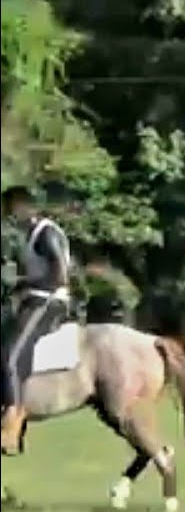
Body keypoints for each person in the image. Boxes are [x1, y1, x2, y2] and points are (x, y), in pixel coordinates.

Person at [1, 186, 75, 449]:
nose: (8, 216)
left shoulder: (46, 233)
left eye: (9, 209)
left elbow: (61, 276)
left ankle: (13, 420)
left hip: (49, 301)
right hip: (33, 299)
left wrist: (22, 282)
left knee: (12, 355)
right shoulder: (31, 234)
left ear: (22, 207)